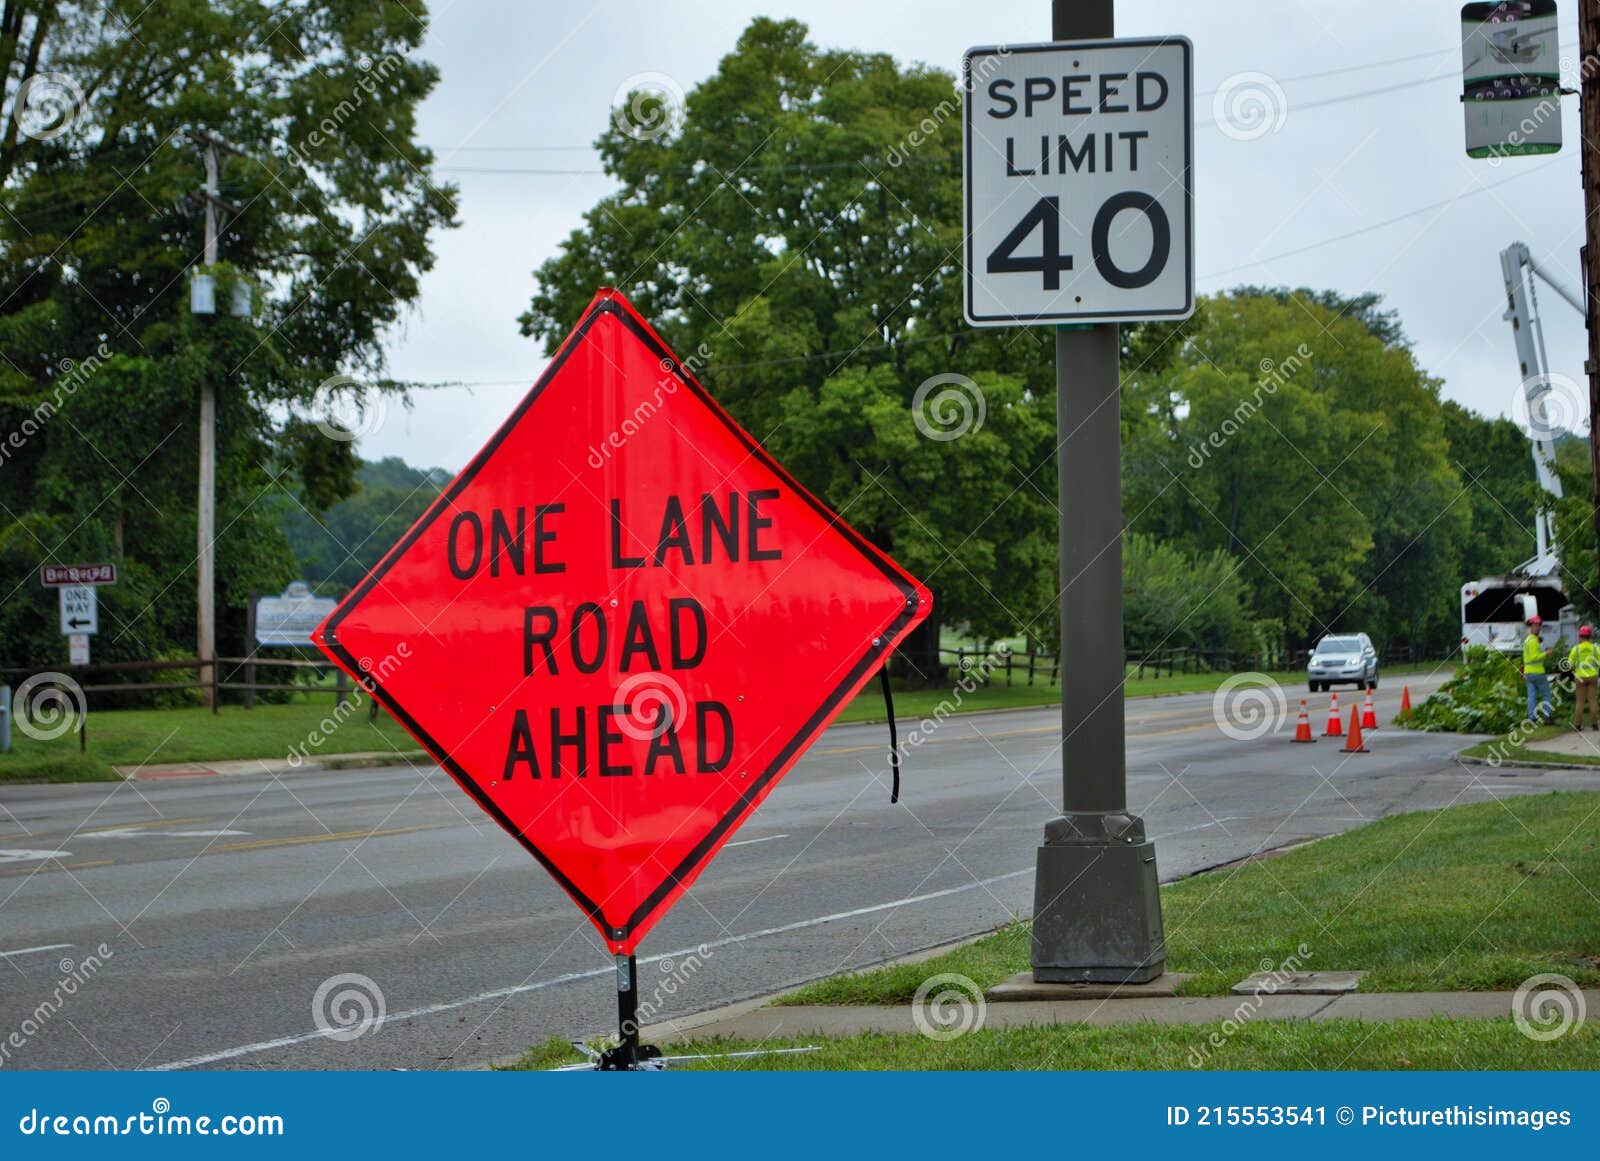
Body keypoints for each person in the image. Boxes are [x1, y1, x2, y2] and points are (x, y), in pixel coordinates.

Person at [1522, 615, 1553, 724]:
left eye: (1538, 626)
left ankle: (1531, 718)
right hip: (1538, 672)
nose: (1537, 628)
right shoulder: (1533, 641)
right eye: (1535, 626)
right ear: (1531, 627)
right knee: (1546, 695)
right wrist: (1546, 653)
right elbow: (1534, 657)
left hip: (1528, 672)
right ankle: (1547, 717)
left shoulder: (1528, 639)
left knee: (1531, 696)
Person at [1569, 625, 1600, 730]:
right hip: (1593, 676)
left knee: (1580, 701)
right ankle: (1595, 724)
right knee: (1593, 700)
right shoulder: (1595, 648)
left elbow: (1569, 664)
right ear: (1590, 637)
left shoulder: (1576, 649)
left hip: (1580, 677)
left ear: (1580, 636)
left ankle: (1577, 725)